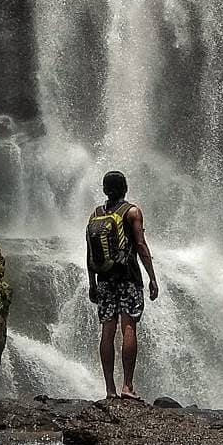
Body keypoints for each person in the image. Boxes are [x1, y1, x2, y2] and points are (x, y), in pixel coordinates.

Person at [86, 169, 158, 401]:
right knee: (128, 326)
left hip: (104, 280)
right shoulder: (131, 212)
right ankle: (127, 386)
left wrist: (92, 283)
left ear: (105, 190)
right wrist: (152, 277)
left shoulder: (95, 214)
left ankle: (109, 390)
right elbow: (140, 244)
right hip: (128, 277)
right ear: (125, 188)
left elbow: (89, 252)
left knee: (107, 331)